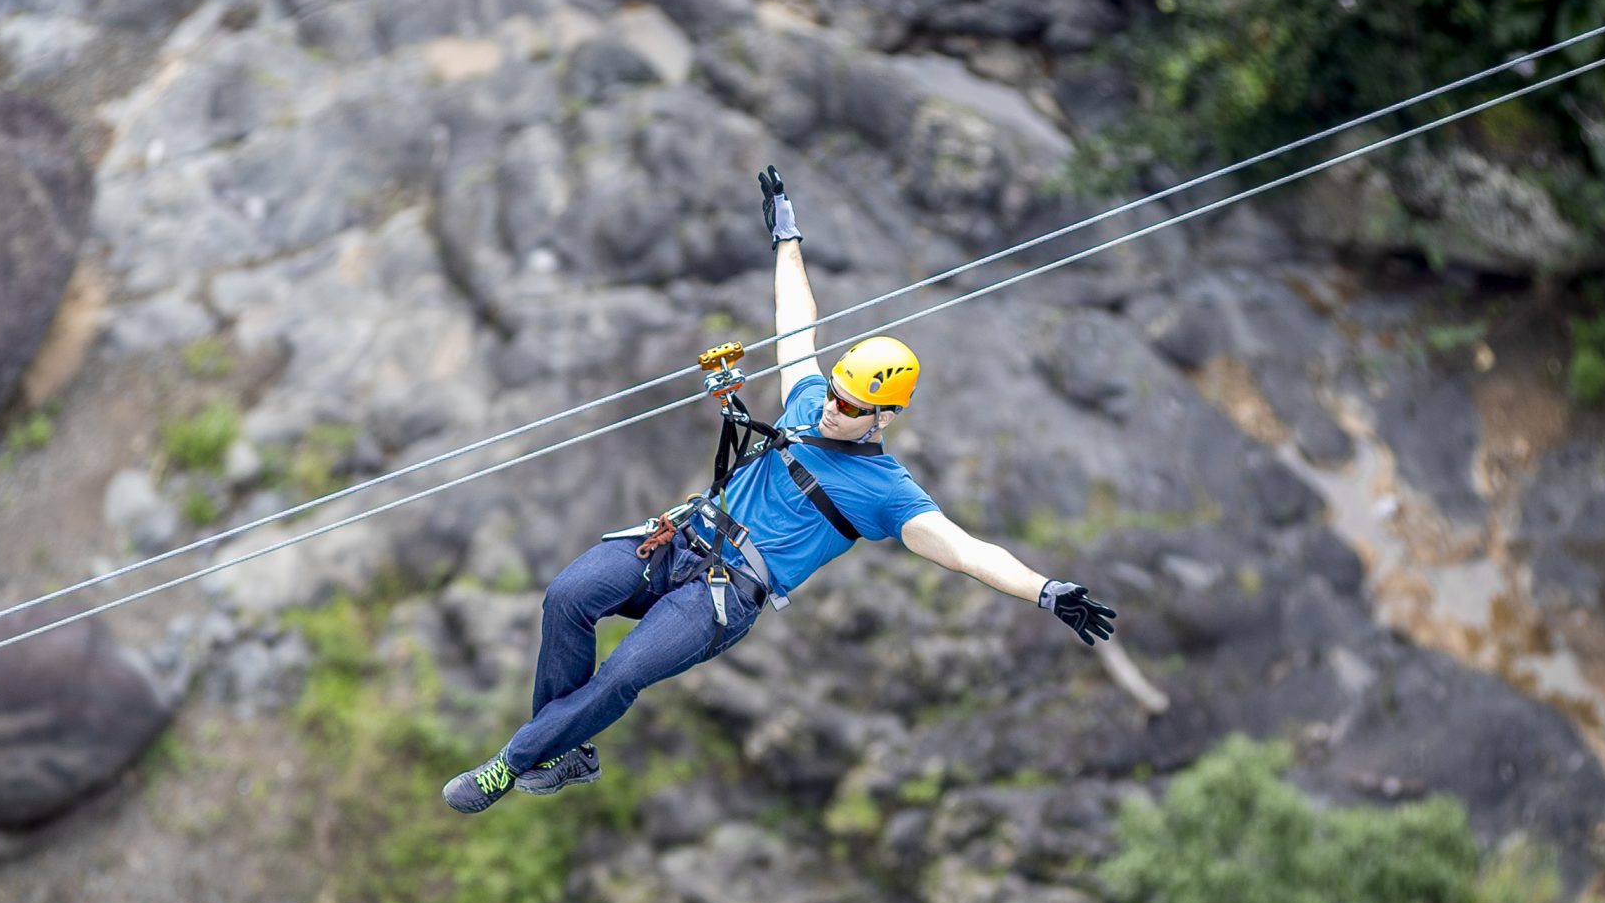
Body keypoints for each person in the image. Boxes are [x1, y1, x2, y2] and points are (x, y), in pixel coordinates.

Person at [441, 167, 1119, 814]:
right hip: (680, 539)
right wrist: (786, 235)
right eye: (837, 393)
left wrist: (1045, 590)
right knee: (567, 597)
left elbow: (967, 552)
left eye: (852, 408)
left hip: (723, 595)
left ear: (885, 418)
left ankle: (509, 764)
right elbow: (798, 322)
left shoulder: (886, 492)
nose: (833, 408)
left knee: (622, 675)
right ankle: (568, 750)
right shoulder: (809, 399)